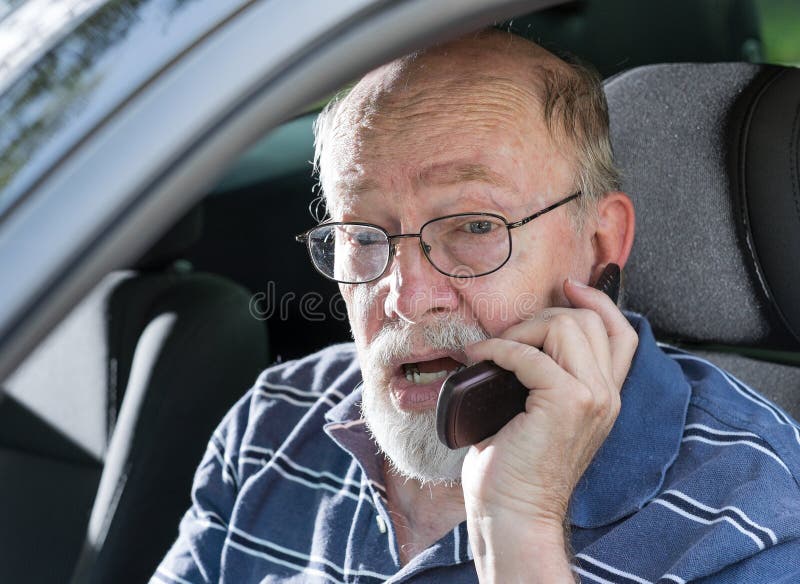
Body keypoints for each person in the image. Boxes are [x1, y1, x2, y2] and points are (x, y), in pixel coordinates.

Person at [152, 29, 800, 583]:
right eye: (362, 235)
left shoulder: (750, 506)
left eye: (474, 226)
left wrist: (517, 529)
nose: (406, 299)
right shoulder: (273, 423)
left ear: (600, 242)